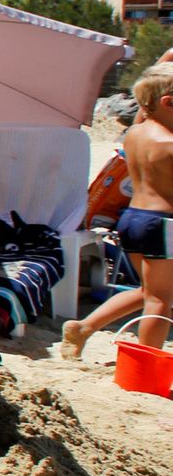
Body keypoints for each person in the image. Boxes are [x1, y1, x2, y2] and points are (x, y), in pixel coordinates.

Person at [62, 66, 173, 356]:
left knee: (149, 291)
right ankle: (147, 364)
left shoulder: (135, 134)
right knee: (161, 300)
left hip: (132, 219)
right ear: (168, 103)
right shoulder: (169, 144)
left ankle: (84, 327)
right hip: (162, 223)